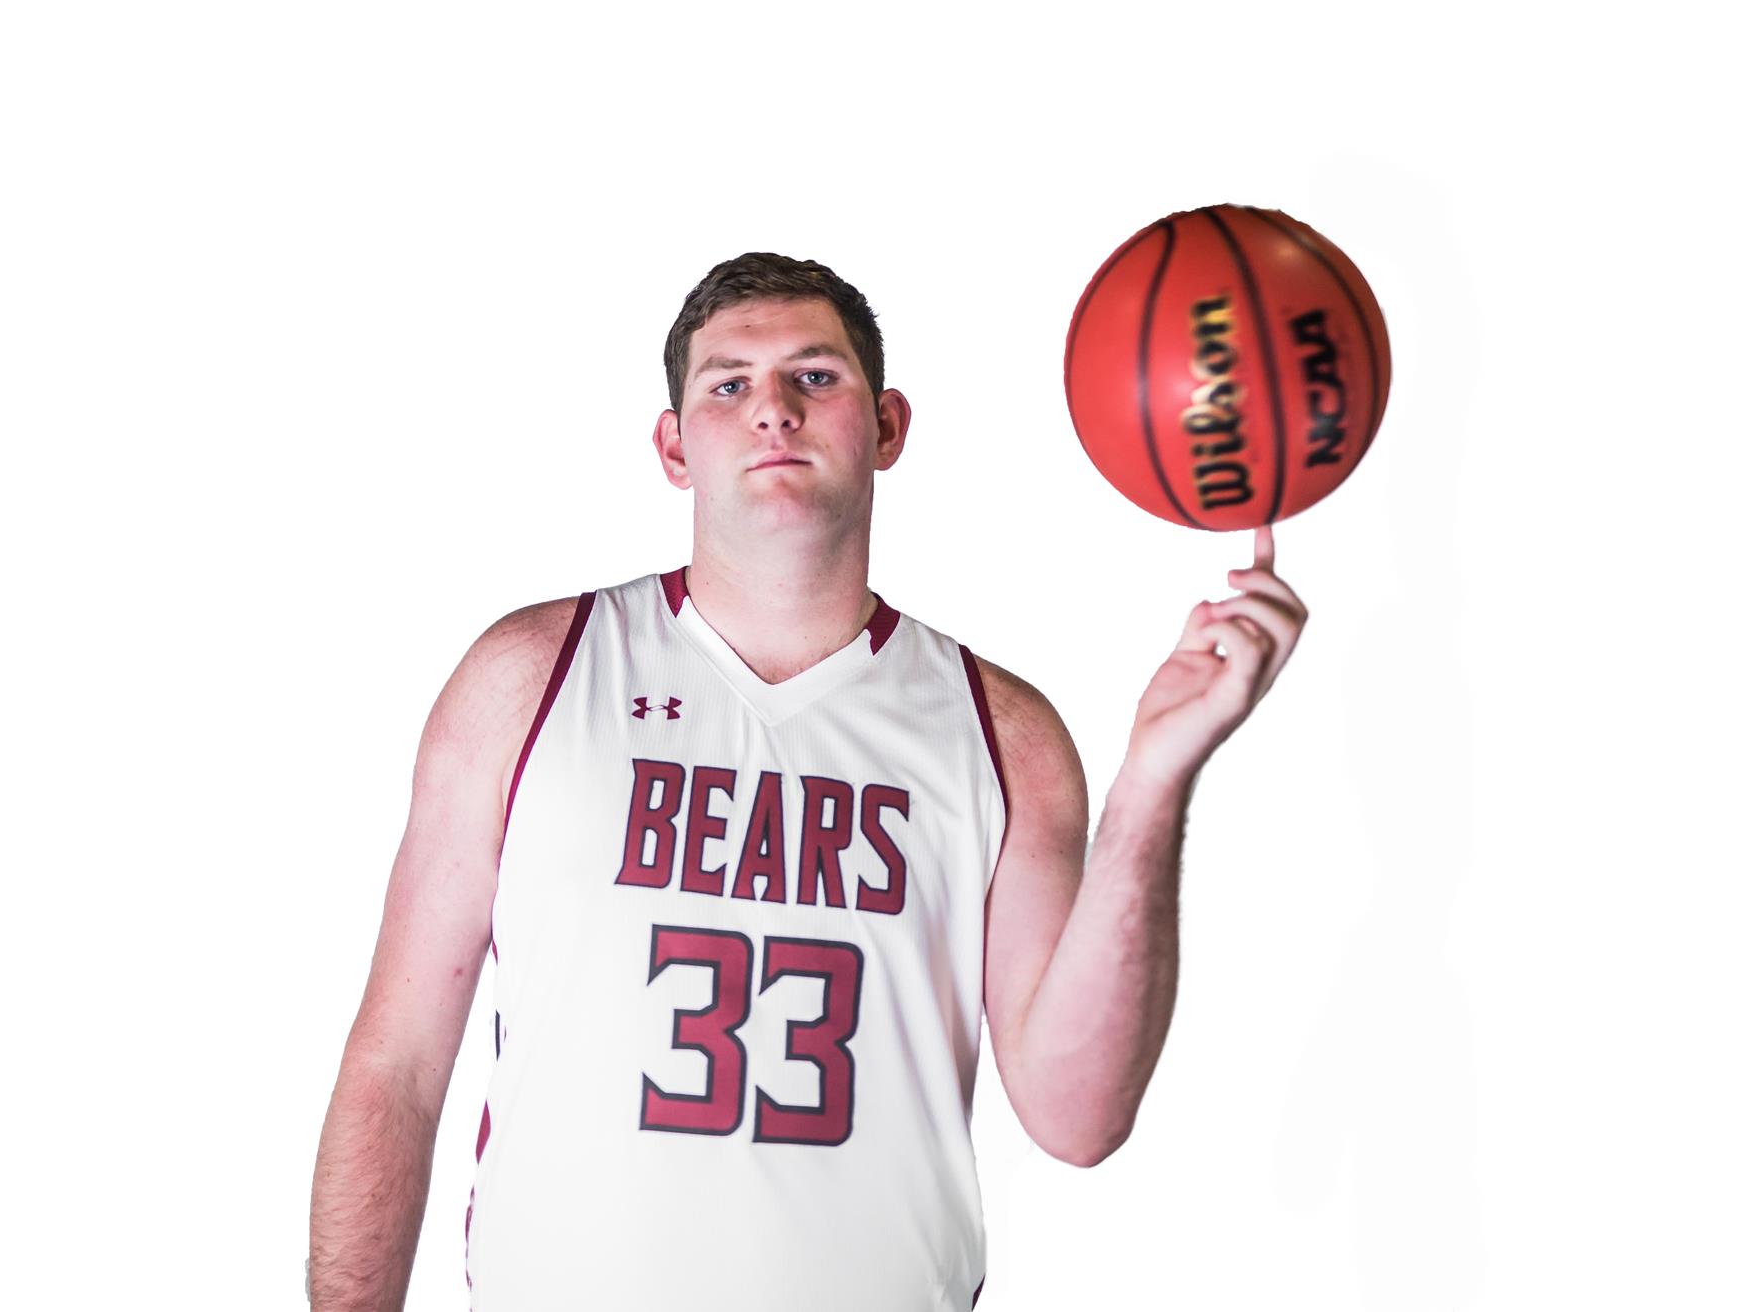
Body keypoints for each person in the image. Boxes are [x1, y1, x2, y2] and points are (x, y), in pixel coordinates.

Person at [307, 252, 1308, 1311]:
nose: (772, 410)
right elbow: (397, 1068)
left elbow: (1078, 1114)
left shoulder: (1001, 732)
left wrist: (1155, 773)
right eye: (728, 384)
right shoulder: (528, 679)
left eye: (814, 377)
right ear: (671, 444)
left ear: (886, 427)